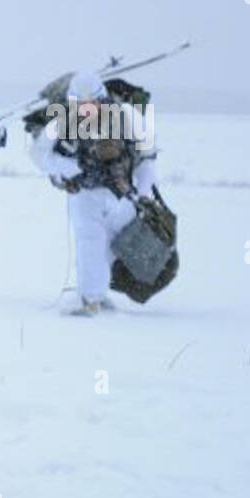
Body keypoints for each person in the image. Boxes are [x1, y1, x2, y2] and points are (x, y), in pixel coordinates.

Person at [28, 69, 158, 315]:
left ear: (104, 99)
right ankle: (91, 298)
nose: (88, 109)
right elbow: (38, 155)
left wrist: (143, 193)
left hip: (122, 194)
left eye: (93, 103)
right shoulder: (62, 121)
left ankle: (95, 295)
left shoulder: (127, 116)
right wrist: (71, 167)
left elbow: (148, 157)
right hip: (85, 192)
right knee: (90, 241)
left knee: (109, 245)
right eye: (80, 104)